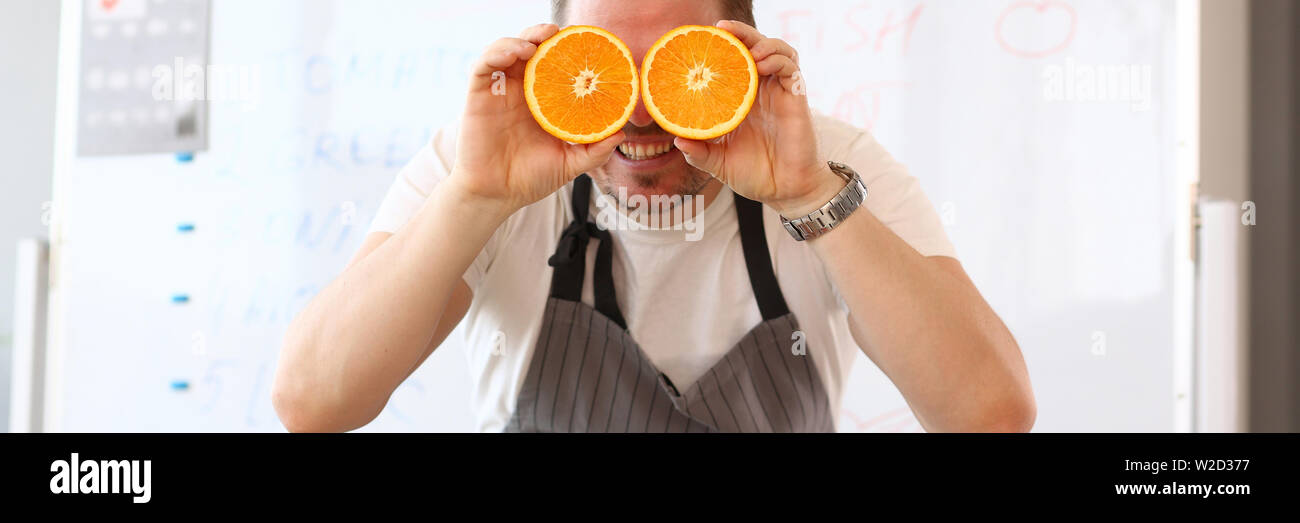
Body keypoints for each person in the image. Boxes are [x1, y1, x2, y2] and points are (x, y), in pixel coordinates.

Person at [272, 0, 1036, 433]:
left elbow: (993, 414)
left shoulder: (826, 163)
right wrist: (475, 196)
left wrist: (808, 196)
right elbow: (312, 401)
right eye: (603, 67)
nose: (639, 113)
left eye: (678, 69)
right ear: (553, 62)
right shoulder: (483, 162)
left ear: (740, 59)